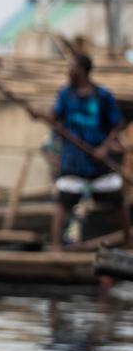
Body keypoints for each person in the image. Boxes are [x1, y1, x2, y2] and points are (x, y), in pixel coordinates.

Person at [42, 53, 129, 251]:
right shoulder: (65, 94)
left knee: (118, 200)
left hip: (98, 160)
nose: (67, 70)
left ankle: (128, 242)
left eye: (71, 66)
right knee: (63, 201)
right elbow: (53, 118)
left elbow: (117, 124)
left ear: (82, 70)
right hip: (74, 160)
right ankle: (56, 248)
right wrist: (40, 116)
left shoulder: (102, 95)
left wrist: (104, 148)